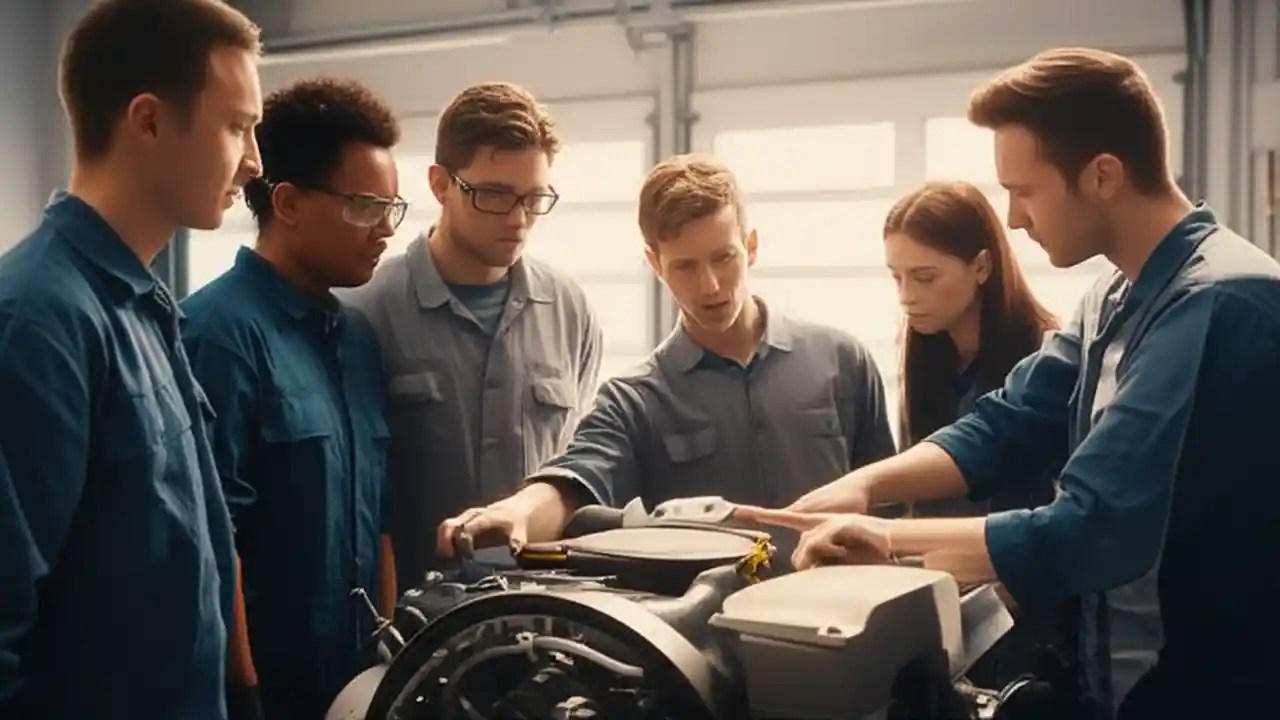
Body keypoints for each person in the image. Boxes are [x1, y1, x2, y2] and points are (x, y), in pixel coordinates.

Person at [774, 47, 1280, 718]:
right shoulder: (1114, 296)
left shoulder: (1221, 301)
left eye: (1023, 191)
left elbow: (1090, 527)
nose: (1012, 218)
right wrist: (866, 486)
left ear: (1102, 175)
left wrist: (887, 540)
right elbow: (1008, 421)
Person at [434, 153, 897, 570]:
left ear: (751, 246)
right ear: (655, 263)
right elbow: (577, 479)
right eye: (686, 267)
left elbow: (891, 512)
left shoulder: (842, 361)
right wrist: (517, 511)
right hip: (706, 648)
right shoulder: (634, 400)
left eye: (724, 258)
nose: (712, 286)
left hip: (845, 631)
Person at [0, 1, 262, 717]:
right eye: (237, 125)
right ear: (147, 121)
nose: (254, 161)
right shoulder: (37, 321)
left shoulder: (142, 306)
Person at [181, 78, 402, 720]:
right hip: (270, 692)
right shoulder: (215, 335)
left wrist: (385, 659)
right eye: (365, 206)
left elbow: (379, 518)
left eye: (393, 207)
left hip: (357, 685)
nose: (385, 229)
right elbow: (213, 541)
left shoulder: (357, 337)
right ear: (288, 202)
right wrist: (244, 692)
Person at [341, 81, 602, 588]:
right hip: (409, 620)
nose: (518, 219)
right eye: (494, 195)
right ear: (440, 184)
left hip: (542, 611)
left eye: (533, 198)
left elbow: (576, 468)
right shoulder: (364, 311)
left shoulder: (571, 311)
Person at [884, 180, 1062, 687]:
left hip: (1021, 623)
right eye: (896, 277)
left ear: (982, 267)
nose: (906, 296)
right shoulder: (925, 358)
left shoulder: (1046, 360)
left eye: (923, 277)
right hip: (941, 609)